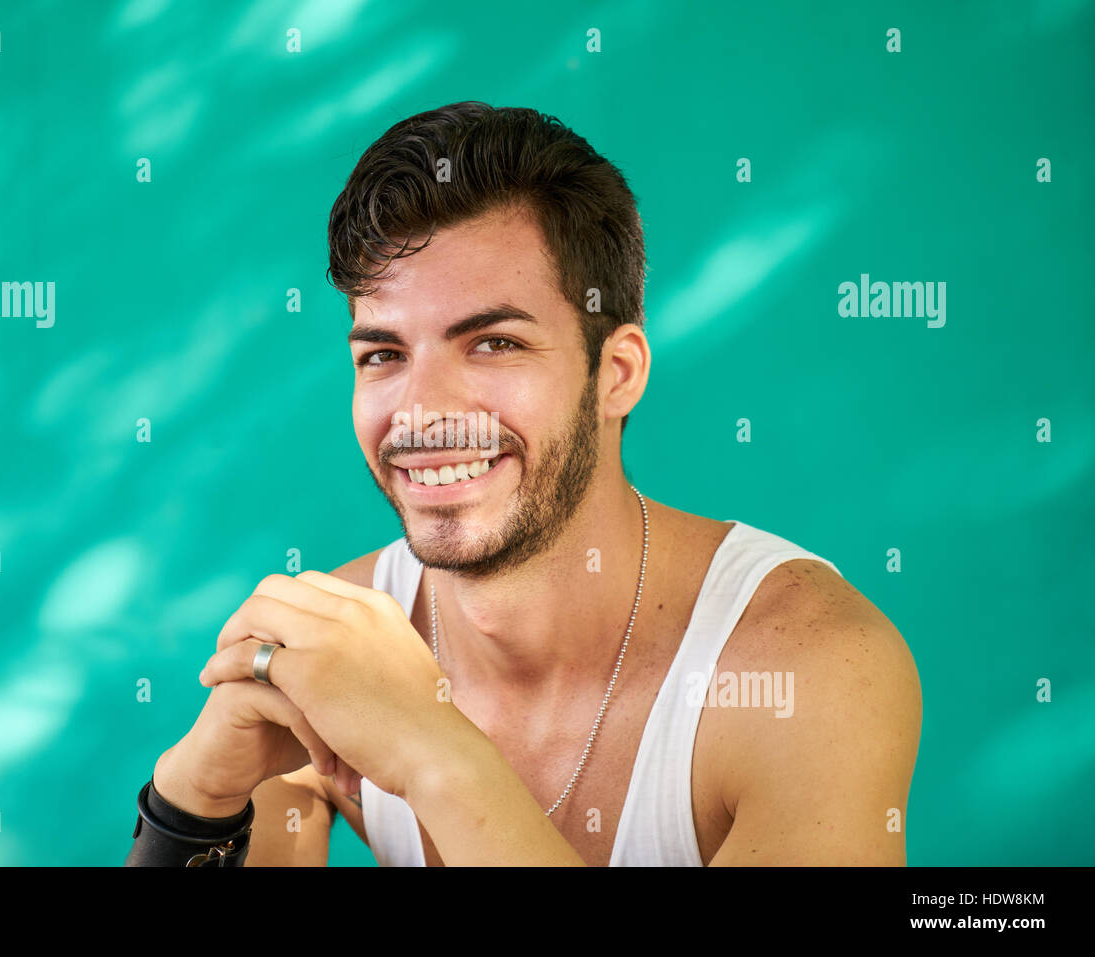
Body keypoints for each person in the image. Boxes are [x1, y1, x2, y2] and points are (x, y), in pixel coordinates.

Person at [125, 101, 921, 867]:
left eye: (495, 343)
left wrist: (435, 751)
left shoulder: (811, 669)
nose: (424, 411)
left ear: (616, 373)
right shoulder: (344, 641)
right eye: (383, 354)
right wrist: (194, 794)